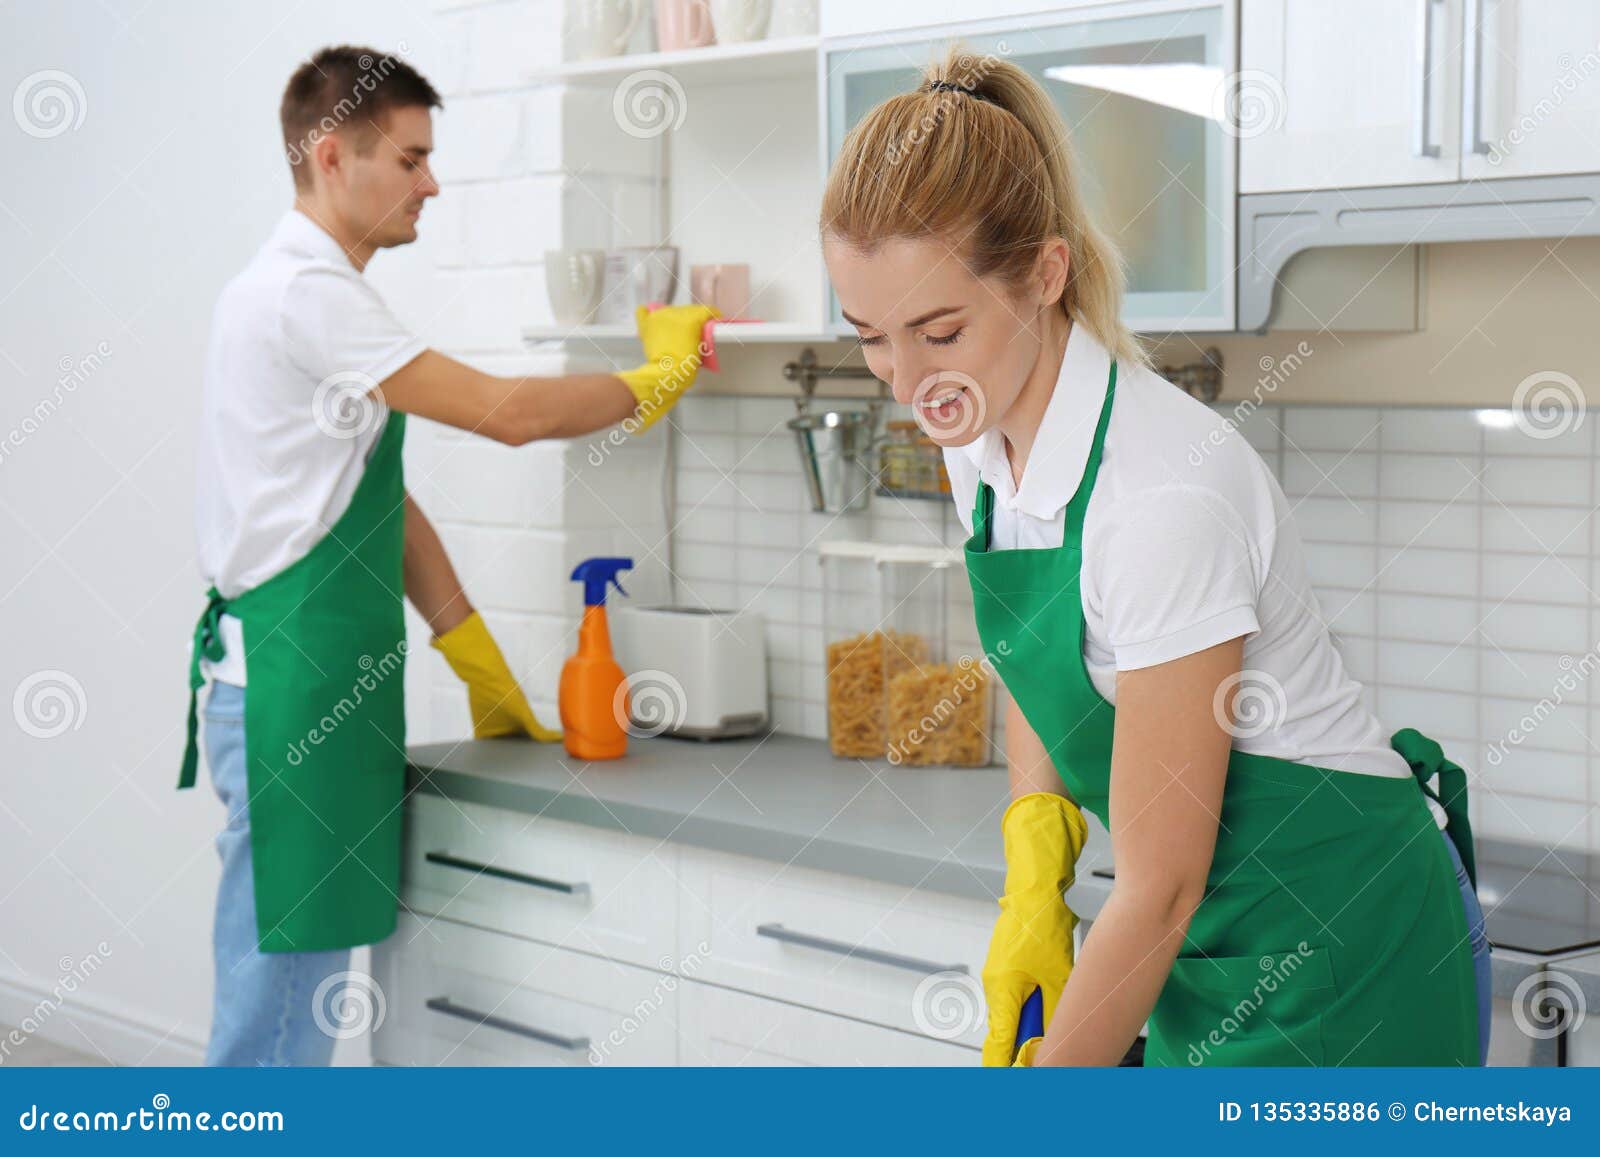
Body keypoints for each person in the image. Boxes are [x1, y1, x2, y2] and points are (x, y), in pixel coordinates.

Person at [819, 47, 1491, 1067]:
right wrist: (1033, 865)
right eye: (870, 337)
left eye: (938, 329)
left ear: (1044, 273)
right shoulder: (979, 437)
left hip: (1343, 956)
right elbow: (1047, 676)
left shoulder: (1160, 492)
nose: (907, 380)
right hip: (1203, 955)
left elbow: (1162, 883)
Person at [178, 44, 715, 1066]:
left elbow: (370, 497)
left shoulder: (315, 291)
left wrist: (464, 638)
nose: (432, 182)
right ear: (333, 156)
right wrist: (653, 376)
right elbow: (508, 416)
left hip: (310, 680)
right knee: (280, 1005)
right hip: (293, 688)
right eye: (412, 158)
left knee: (300, 980)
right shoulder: (306, 294)